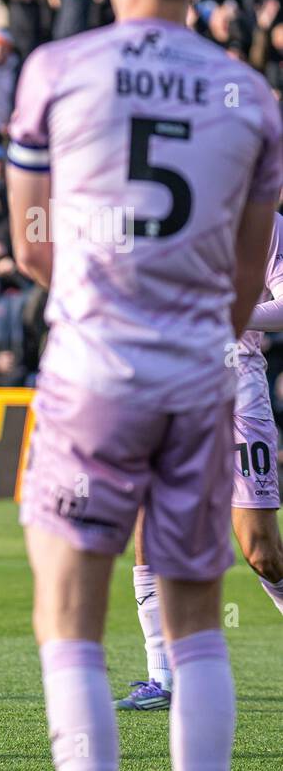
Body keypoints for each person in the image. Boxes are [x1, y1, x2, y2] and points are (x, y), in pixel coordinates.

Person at [8, 0, 283, 771]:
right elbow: (247, 277)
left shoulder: (57, 66)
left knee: (70, 617)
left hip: (95, 368)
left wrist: (103, 301)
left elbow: (29, 244)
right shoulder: (250, 94)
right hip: (204, 372)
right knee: (198, 616)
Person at [118, 214, 283, 710]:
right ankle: (161, 677)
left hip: (237, 388)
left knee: (260, 549)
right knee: (148, 524)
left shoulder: (265, 223)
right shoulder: (156, 214)